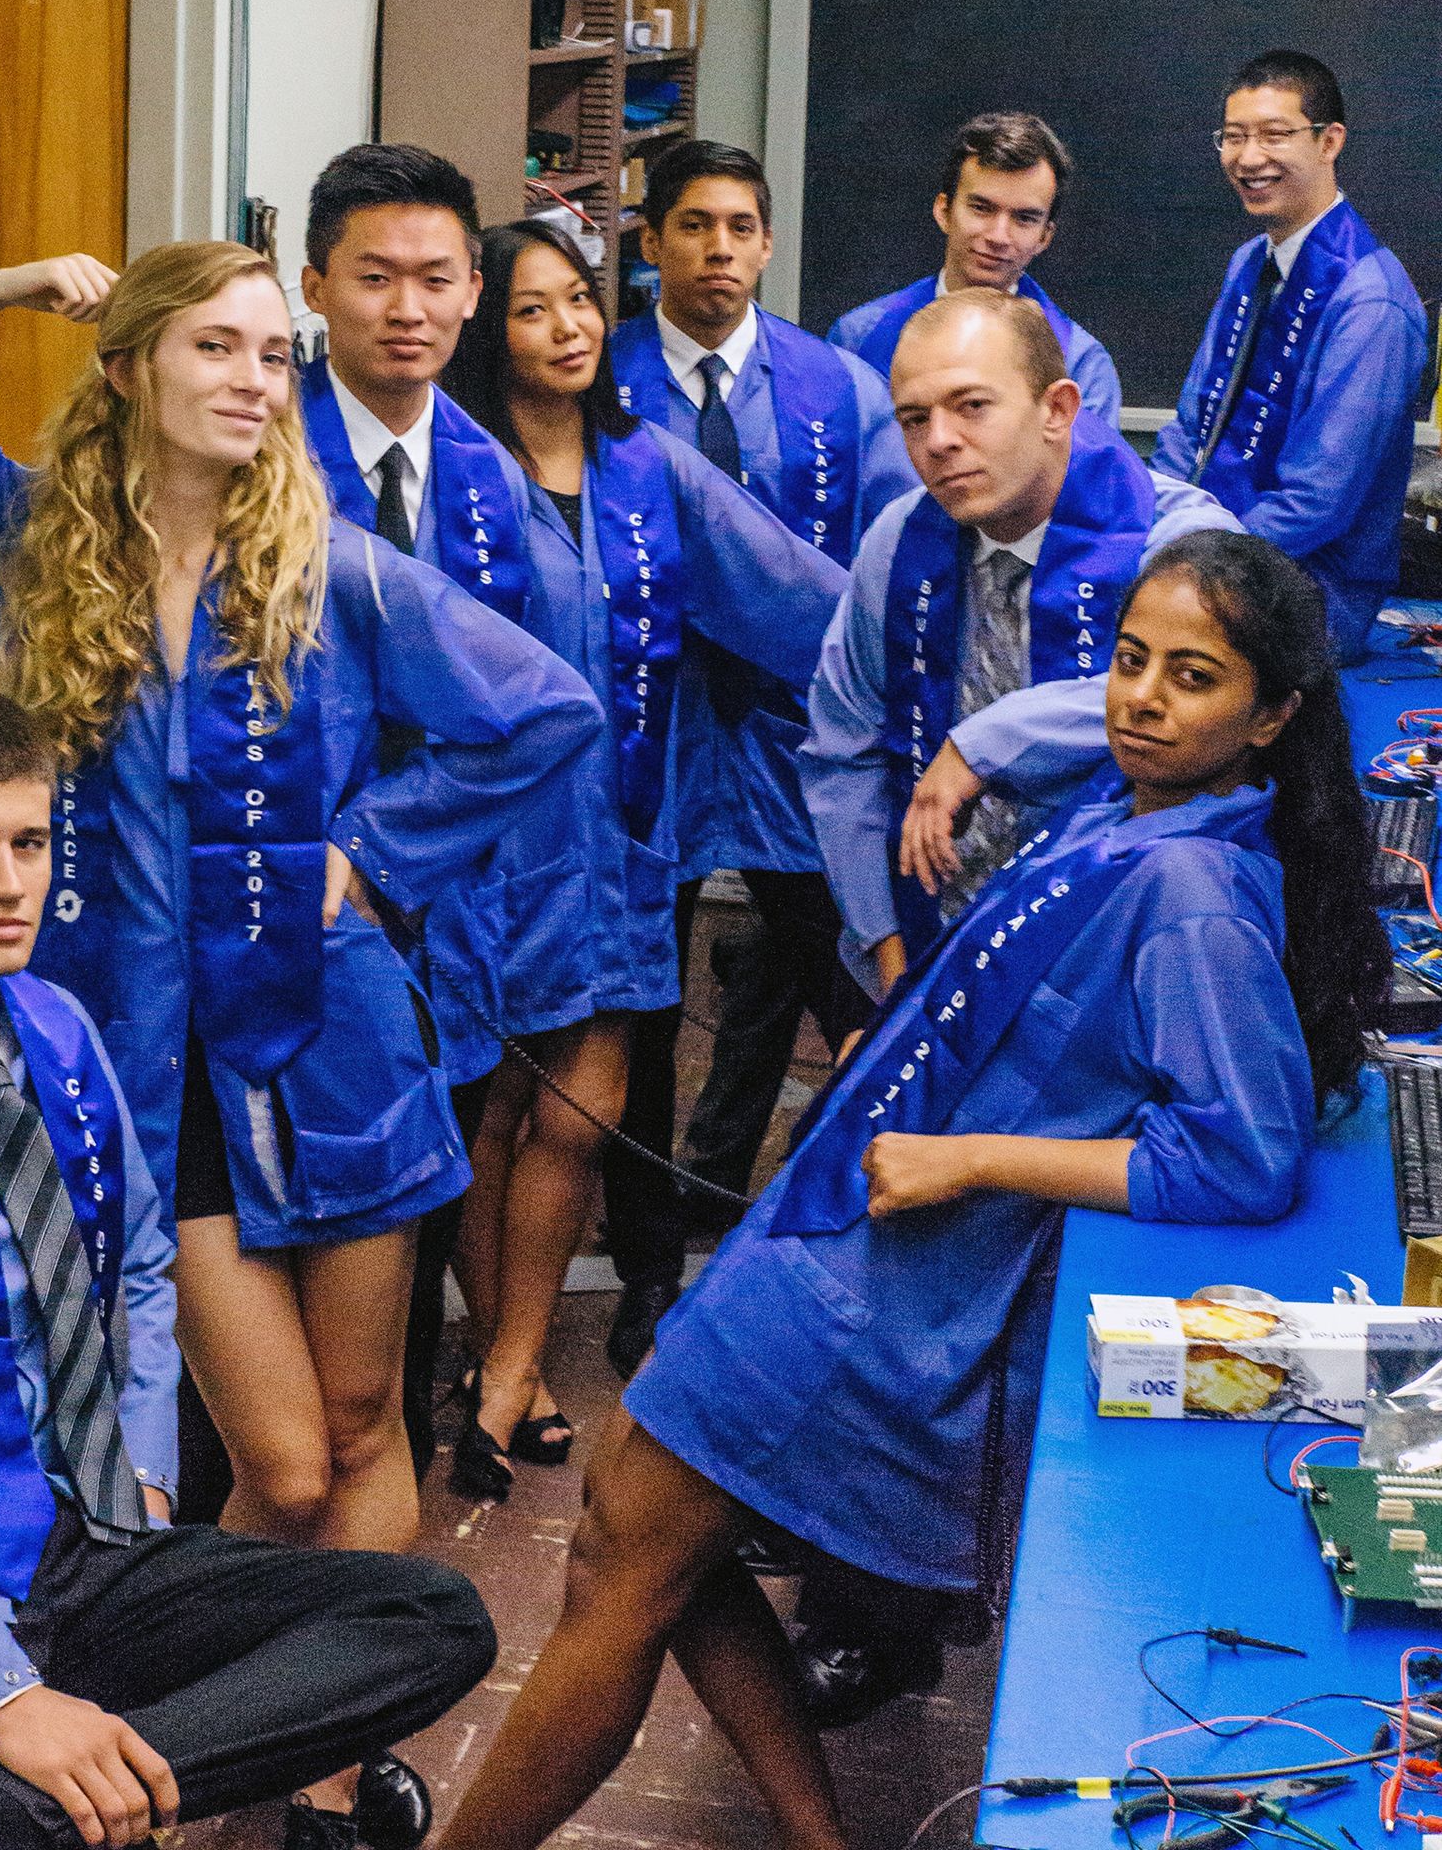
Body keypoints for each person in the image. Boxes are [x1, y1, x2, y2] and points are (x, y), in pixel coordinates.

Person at [0, 243, 598, 1850]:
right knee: (281, 1467)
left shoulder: (334, 572)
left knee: (365, 1430)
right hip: (139, 1073)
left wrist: (369, 851)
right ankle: (193, 1763)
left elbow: (543, 711)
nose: (254, 379)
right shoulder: (28, 546)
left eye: (270, 355)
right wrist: (14, 286)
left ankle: (314, 1793)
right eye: (215, 348)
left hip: (333, 1055)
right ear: (130, 373)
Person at [433, 528, 1393, 1850]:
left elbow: (1236, 1159)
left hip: (880, 1293)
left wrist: (971, 1155)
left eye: (1193, 678)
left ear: (1271, 716)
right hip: (845, 1226)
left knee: (628, 1552)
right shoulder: (1132, 803)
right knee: (637, 1540)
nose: (1141, 700)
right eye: (1128, 661)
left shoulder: (1194, 894)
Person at [0, 683, 497, 1850]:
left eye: (29, 843)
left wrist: (142, 1486)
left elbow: (139, 1271)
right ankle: (15, 1800)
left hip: (57, 1538)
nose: (7, 882)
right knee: (96, 1750)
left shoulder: (57, 1032)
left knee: (431, 1616)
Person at [437, 220, 848, 1502]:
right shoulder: (450, 470)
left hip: (616, 837)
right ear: (485, 332)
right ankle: (503, 1363)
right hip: (480, 846)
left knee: (585, 1107)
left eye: (578, 301)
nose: (567, 327)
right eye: (531, 309)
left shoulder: (645, 463)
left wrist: (923, 639)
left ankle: (512, 1358)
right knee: (488, 1110)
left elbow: (787, 591)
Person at [603, 140, 915, 1367]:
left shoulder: (839, 387)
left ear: (768, 243)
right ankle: (645, 1267)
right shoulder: (598, 376)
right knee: (639, 1014)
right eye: (691, 226)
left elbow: (886, 562)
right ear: (651, 244)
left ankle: (841, 1243)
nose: (717, 251)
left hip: (799, 741)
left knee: (860, 981)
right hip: (654, 737)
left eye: (739, 227)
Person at [294, 142, 558, 1482]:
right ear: (314, 287)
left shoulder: (485, 473)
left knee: (408, 1242)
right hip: (284, 912)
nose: (408, 309)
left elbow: (531, 714)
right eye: (374, 277)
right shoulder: (259, 449)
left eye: (436, 279)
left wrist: (396, 847)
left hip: (440, 906)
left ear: (471, 294)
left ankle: (370, 1513)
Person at [802, 288, 1237, 984]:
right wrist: (887, 952)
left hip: (1116, 952)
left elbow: (1197, 713)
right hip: (936, 945)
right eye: (914, 418)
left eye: (971, 406)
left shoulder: (1183, 551)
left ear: (1057, 410)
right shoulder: (897, 543)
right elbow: (841, 749)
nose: (938, 441)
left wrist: (983, 744)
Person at [1150, 49, 1427, 662]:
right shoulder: (1250, 263)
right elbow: (1191, 431)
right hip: (1210, 552)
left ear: (1329, 142)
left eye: (1275, 135)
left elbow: (1318, 503)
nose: (1249, 158)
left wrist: (1187, 566)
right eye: (1233, 137)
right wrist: (1150, 525)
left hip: (1310, 593)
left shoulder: (1371, 301)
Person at [828, 111, 1122, 425]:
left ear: (1044, 237)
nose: (998, 236)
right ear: (944, 211)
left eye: (1024, 218)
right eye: (981, 208)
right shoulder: (859, 339)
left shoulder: (1080, 365)